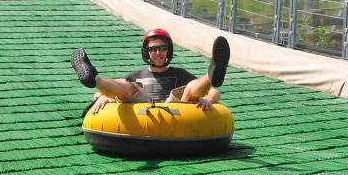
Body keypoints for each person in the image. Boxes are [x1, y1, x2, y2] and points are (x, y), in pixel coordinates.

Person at [72, 29, 230, 115]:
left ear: (168, 51)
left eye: (162, 48)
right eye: (153, 49)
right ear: (146, 53)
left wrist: (208, 98)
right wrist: (104, 96)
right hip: (141, 109)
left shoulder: (179, 73)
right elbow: (104, 93)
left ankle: (212, 73)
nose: (158, 53)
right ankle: (95, 78)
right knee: (126, 86)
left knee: (190, 88)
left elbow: (214, 92)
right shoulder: (136, 75)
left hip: (174, 111)